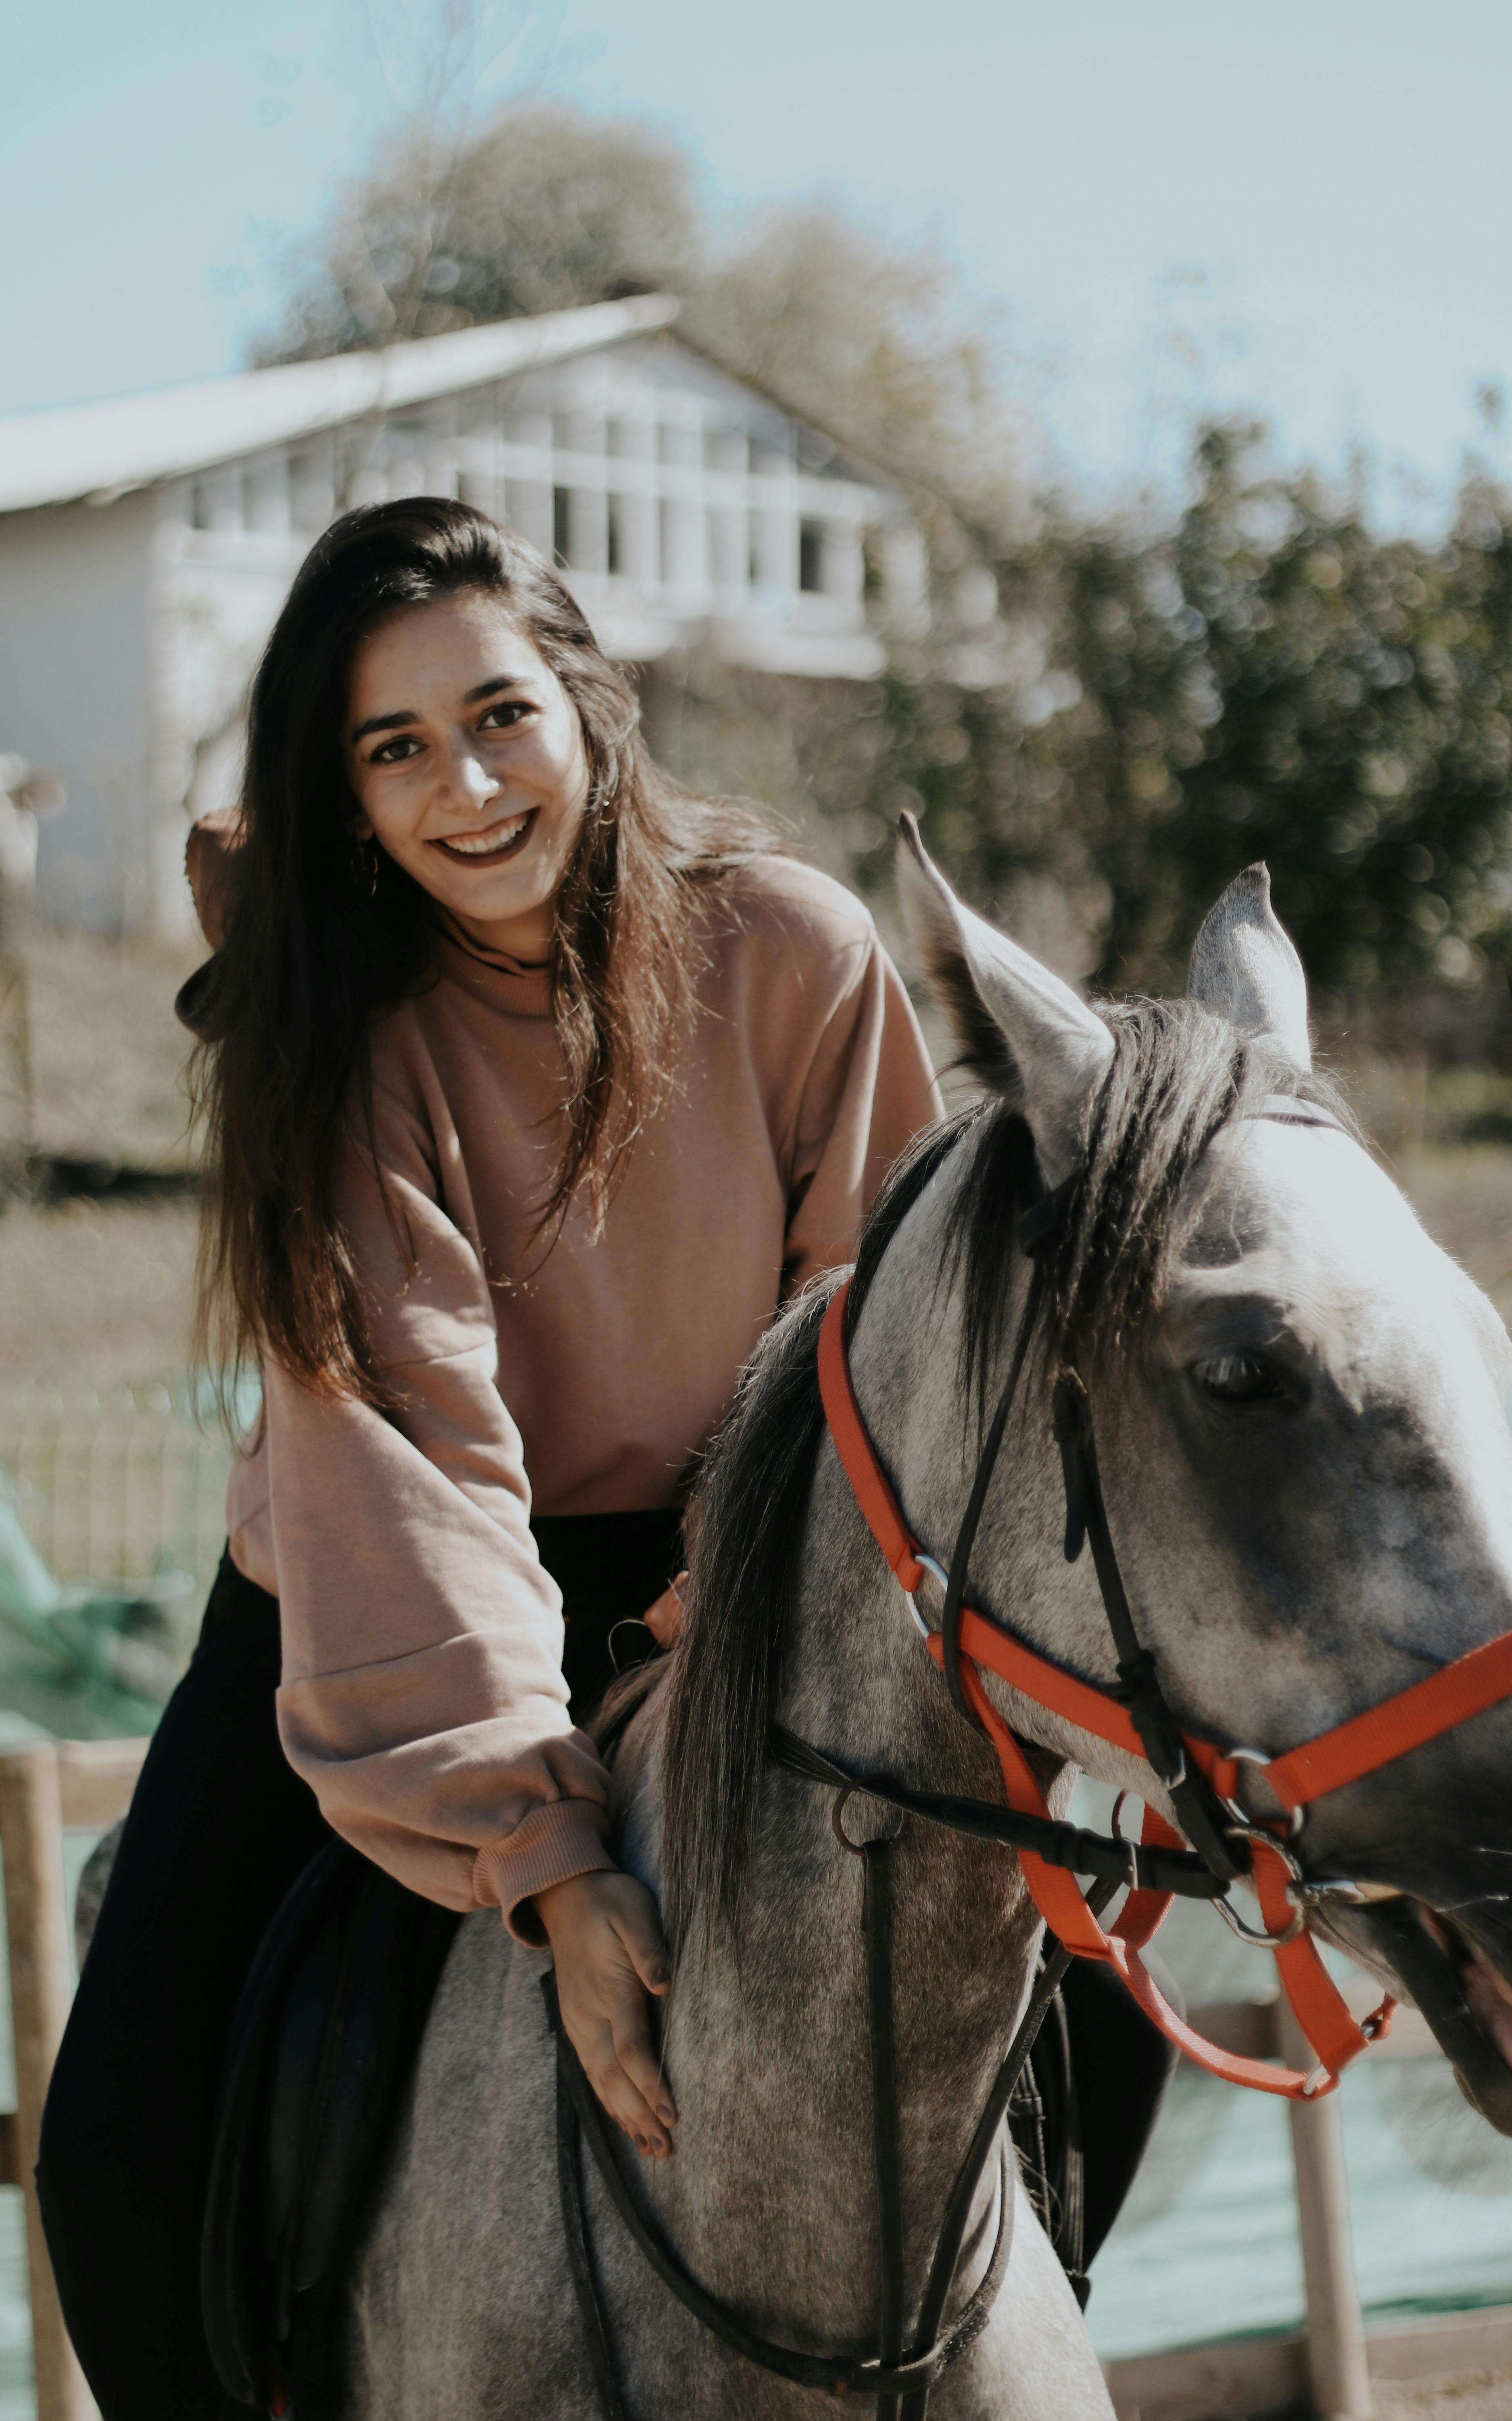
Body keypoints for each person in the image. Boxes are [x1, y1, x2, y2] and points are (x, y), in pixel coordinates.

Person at [36, 498, 1171, 2421]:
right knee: (118, 2155)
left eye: (497, 716)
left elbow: (872, 1333)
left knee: (1104, 2004)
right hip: (373, 1572)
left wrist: (717, 1596)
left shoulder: (794, 948)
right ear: (346, 798)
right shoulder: (350, 1036)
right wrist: (550, 1862)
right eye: (393, 751)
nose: (464, 787)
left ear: (588, 702)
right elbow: (415, 1443)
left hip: (757, 1550)